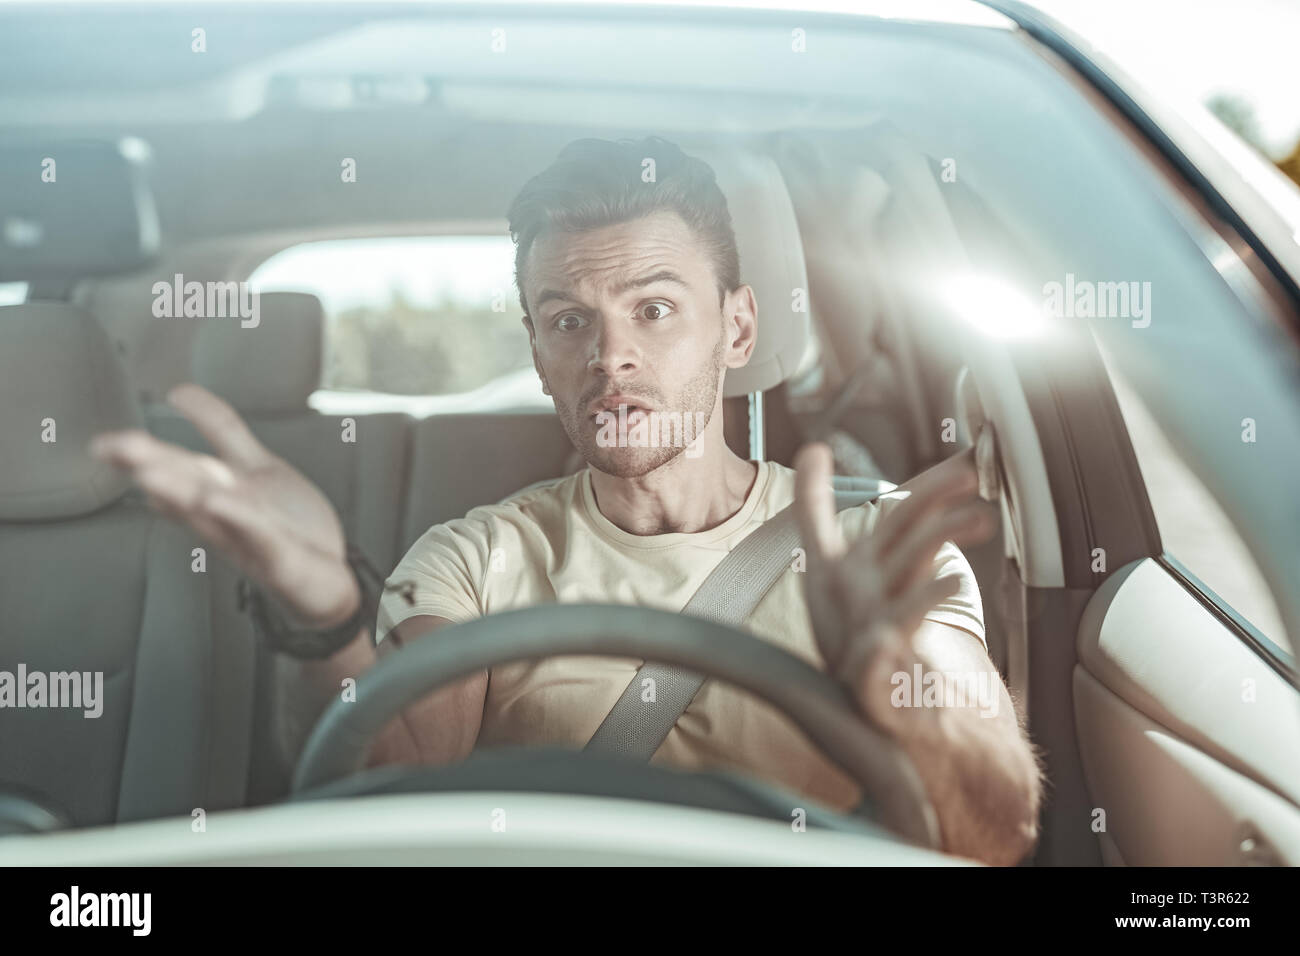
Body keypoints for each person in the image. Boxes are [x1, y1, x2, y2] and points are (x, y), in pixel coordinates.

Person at [92, 136, 1042, 865]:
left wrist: (897, 691)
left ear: (738, 326)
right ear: (537, 348)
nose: (609, 356)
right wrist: (322, 611)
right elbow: (387, 798)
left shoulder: (871, 548)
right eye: (568, 320)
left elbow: (997, 835)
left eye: (655, 309)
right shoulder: (474, 558)